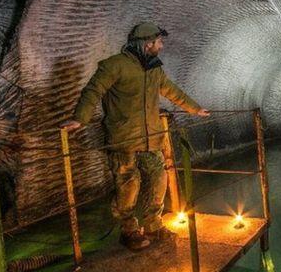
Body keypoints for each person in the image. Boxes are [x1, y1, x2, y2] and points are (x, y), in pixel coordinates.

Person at [61, 23, 210, 251]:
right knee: (128, 186)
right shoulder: (114, 66)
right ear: (147, 43)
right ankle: (129, 230)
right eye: (158, 42)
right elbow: (93, 90)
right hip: (124, 140)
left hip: (151, 138)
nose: (161, 46)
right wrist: (80, 118)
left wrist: (195, 109)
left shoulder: (154, 69)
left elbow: (171, 91)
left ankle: (153, 225)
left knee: (158, 180)